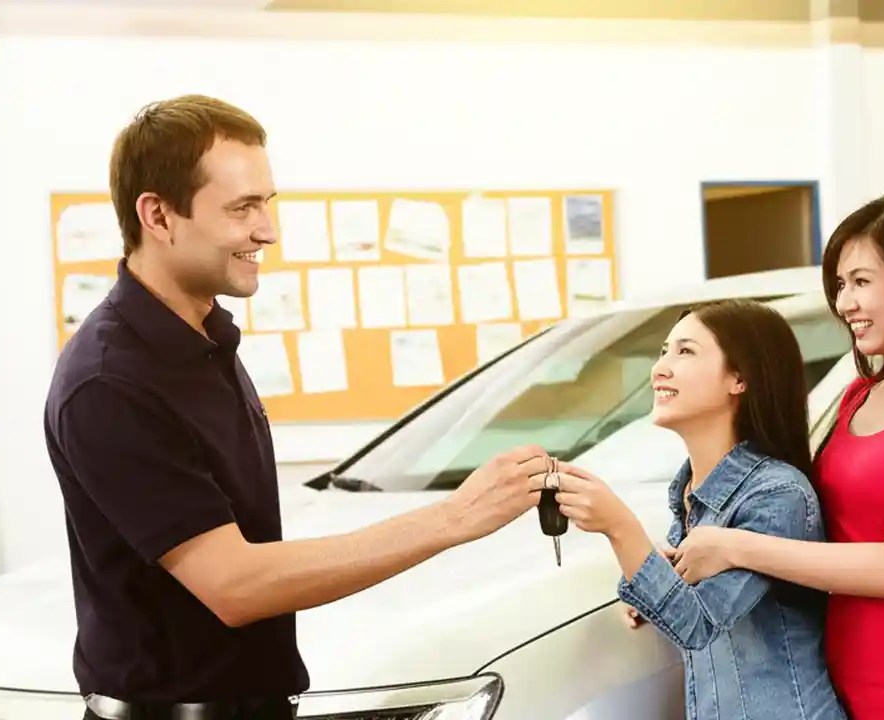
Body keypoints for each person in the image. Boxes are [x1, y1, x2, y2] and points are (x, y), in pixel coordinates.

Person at [43, 94, 547, 720]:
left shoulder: (206, 340)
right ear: (158, 215)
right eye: (242, 208)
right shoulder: (111, 380)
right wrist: (452, 519)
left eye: (267, 204)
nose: (267, 230)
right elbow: (235, 585)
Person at [669, 192, 884, 719]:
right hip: (827, 688)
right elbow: (808, 536)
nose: (845, 303)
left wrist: (733, 547)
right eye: (841, 286)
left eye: (862, 282)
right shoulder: (855, 397)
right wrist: (680, 576)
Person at [535, 299, 846, 720]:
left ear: (739, 378)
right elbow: (693, 610)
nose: (661, 367)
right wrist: (655, 583)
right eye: (664, 351)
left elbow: (696, 625)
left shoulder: (777, 493)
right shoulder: (689, 491)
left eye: (685, 351)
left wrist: (619, 527)